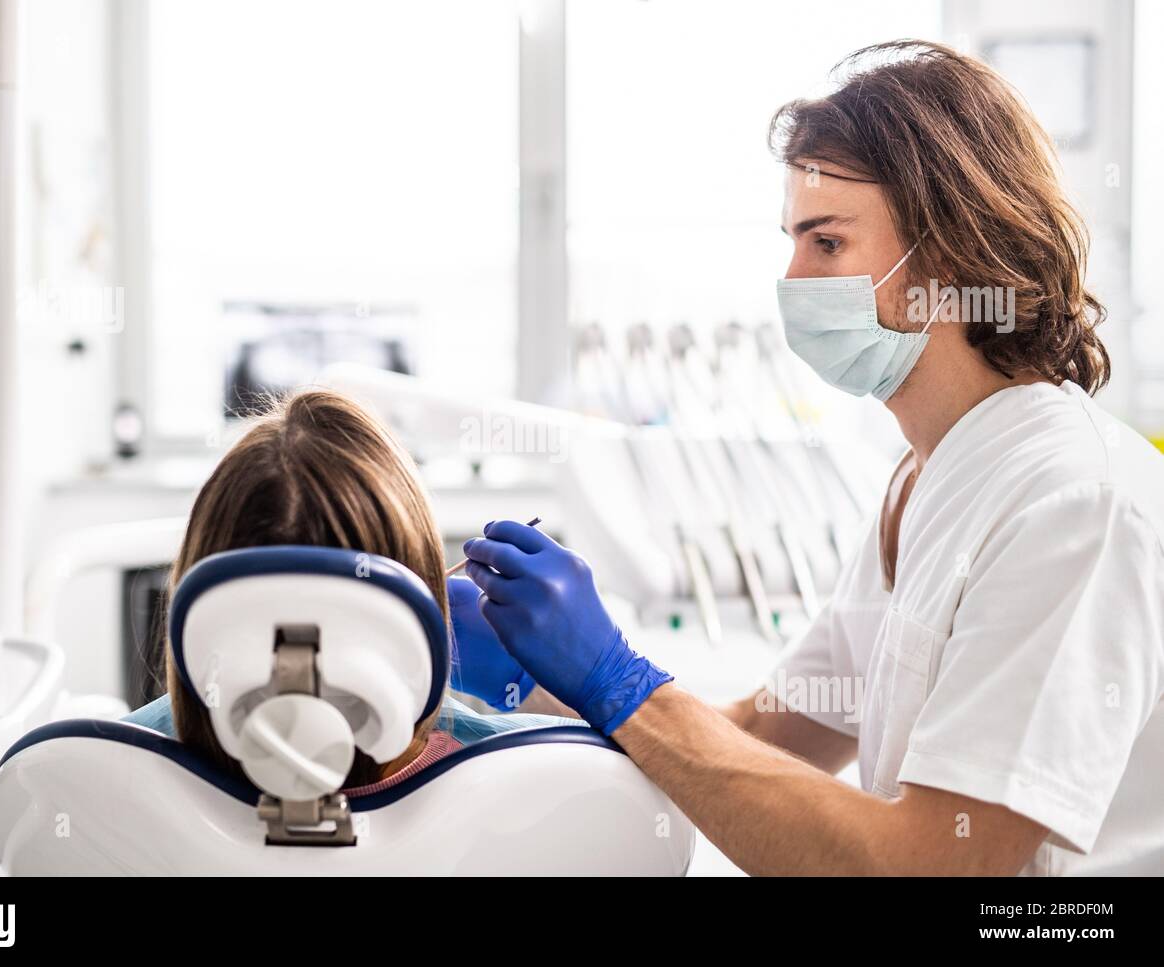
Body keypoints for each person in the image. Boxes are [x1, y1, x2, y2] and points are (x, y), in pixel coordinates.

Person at [455, 41, 1164, 875]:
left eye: (825, 243)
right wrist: (547, 675)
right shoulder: (927, 478)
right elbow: (760, 737)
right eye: (793, 240)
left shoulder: (1070, 502)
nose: (792, 277)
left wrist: (618, 679)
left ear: (946, 255)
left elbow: (931, 866)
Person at [123, 390, 581, 797]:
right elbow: (636, 782)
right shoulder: (531, 770)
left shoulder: (106, 764)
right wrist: (539, 683)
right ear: (422, 601)